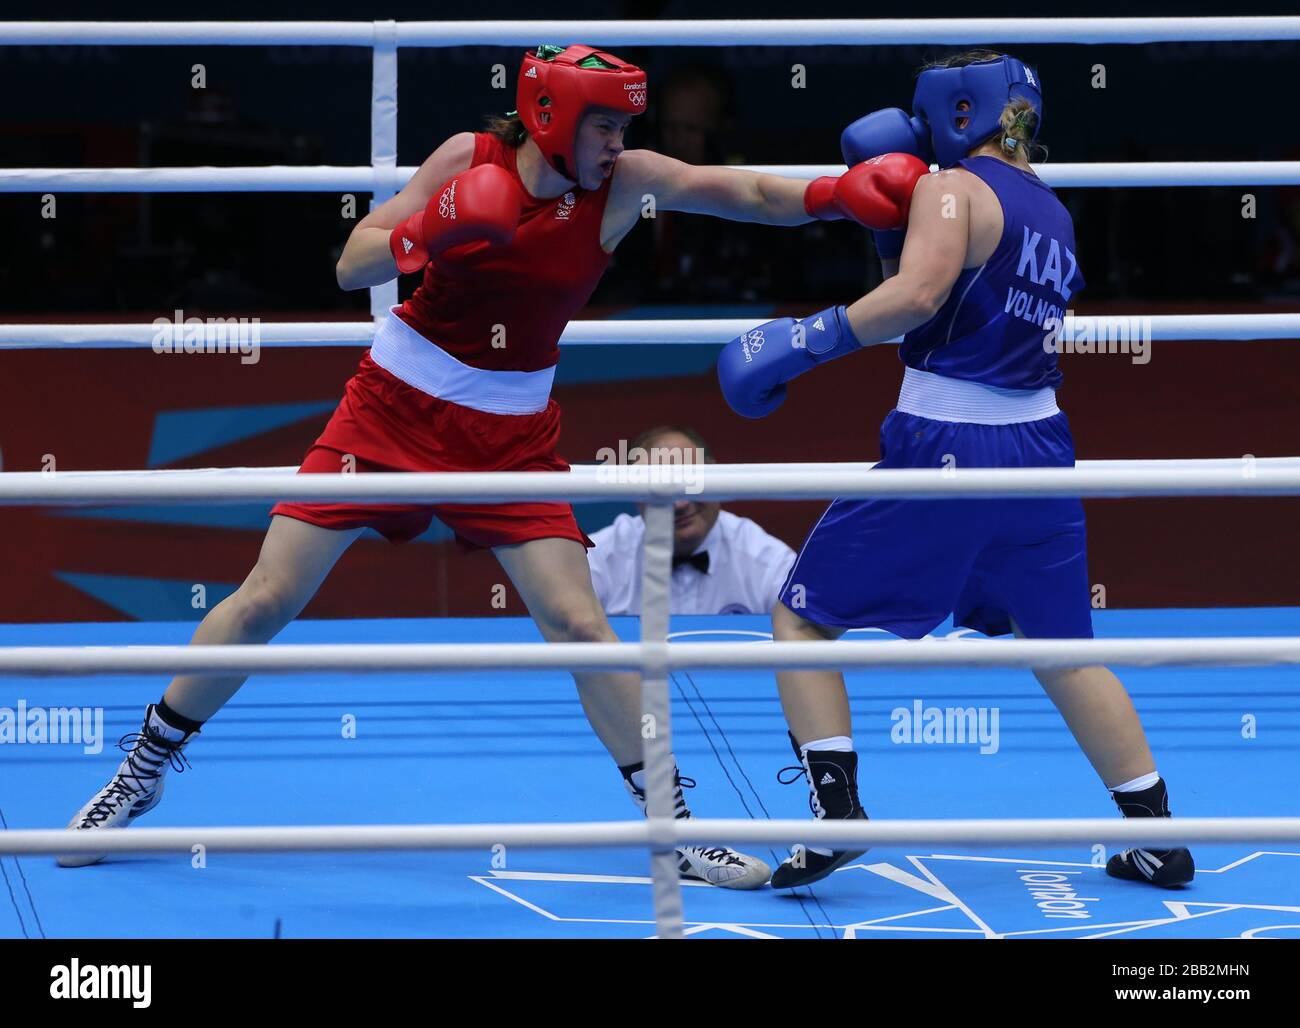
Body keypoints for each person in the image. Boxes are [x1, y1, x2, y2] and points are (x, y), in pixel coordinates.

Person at [56, 44, 888, 890]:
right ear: (554, 119)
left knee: (579, 625)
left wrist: (840, 198)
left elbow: (745, 193)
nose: (618, 139)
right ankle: (140, 772)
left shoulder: (624, 181)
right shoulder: (467, 158)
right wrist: (433, 228)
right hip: (388, 409)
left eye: (624, 125)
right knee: (267, 597)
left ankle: (672, 827)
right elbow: (352, 262)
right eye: (605, 123)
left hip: (512, 435)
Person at [718, 51, 1196, 891]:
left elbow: (917, 298)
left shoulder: (949, 189)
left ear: (959, 114)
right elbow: (972, 303)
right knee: (1064, 650)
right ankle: (1158, 836)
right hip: (1042, 451)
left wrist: (800, 340)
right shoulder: (1054, 211)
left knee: (801, 618)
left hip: (948, 442)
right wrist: (884, 239)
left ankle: (836, 819)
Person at [587, 425, 796, 615]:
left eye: (691, 481)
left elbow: (803, 637)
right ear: (635, 499)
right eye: (660, 490)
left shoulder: (767, 560)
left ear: (716, 478)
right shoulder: (599, 559)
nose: (680, 504)